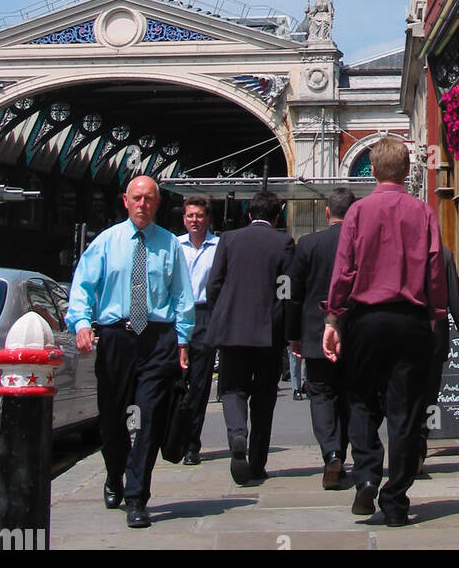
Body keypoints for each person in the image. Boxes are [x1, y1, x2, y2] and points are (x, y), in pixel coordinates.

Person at [323, 137, 446, 527]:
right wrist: (435, 313)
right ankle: (396, 498)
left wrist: (333, 318)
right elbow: (435, 267)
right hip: (410, 319)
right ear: (408, 170)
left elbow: (344, 269)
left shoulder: (358, 213)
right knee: (405, 411)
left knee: (359, 399)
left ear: (372, 171)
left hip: (366, 319)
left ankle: (366, 474)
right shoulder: (423, 212)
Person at [68, 175, 194, 529]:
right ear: (125, 201)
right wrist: (80, 323)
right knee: (112, 418)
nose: (143, 205)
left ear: (158, 203)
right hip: (116, 338)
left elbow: (181, 296)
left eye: (150, 199)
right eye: (137, 198)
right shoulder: (106, 243)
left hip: (157, 339)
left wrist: (183, 340)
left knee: (150, 416)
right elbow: (83, 286)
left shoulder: (169, 245)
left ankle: (138, 497)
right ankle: (114, 474)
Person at [206, 193, 294, 486]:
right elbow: (287, 290)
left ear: (248, 214)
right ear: (277, 216)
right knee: (264, 398)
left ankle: (236, 433)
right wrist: (286, 328)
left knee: (232, 389)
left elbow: (214, 284)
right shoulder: (283, 243)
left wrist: (223, 313)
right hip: (268, 334)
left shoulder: (228, 240)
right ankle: (257, 463)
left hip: (232, 330)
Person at [287, 186, 357, 488]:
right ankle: (341, 453)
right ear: (352, 212)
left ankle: (331, 453)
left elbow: (293, 294)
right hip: (353, 334)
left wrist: (293, 335)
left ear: (327, 212)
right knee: (349, 396)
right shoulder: (360, 243)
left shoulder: (307, 244)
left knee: (322, 395)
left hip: (316, 333)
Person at [419, 246, 459, 475]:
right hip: (434, 339)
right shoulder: (441, 254)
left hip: (402, 337)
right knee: (429, 397)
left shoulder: (395, 249)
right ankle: (418, 444)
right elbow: (455, 298)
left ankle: (408, 446)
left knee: (404, 396)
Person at [177, 196, 220, 465]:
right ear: (184, 219)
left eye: (199, 216)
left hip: (205, 314)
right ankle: (174, 436)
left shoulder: (218, 246)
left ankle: (192, 443)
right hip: (177, 315)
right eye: (190, 216)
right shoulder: (174, 246)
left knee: (200, 384)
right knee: (176, 381)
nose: (195, 220)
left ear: (207, 219)